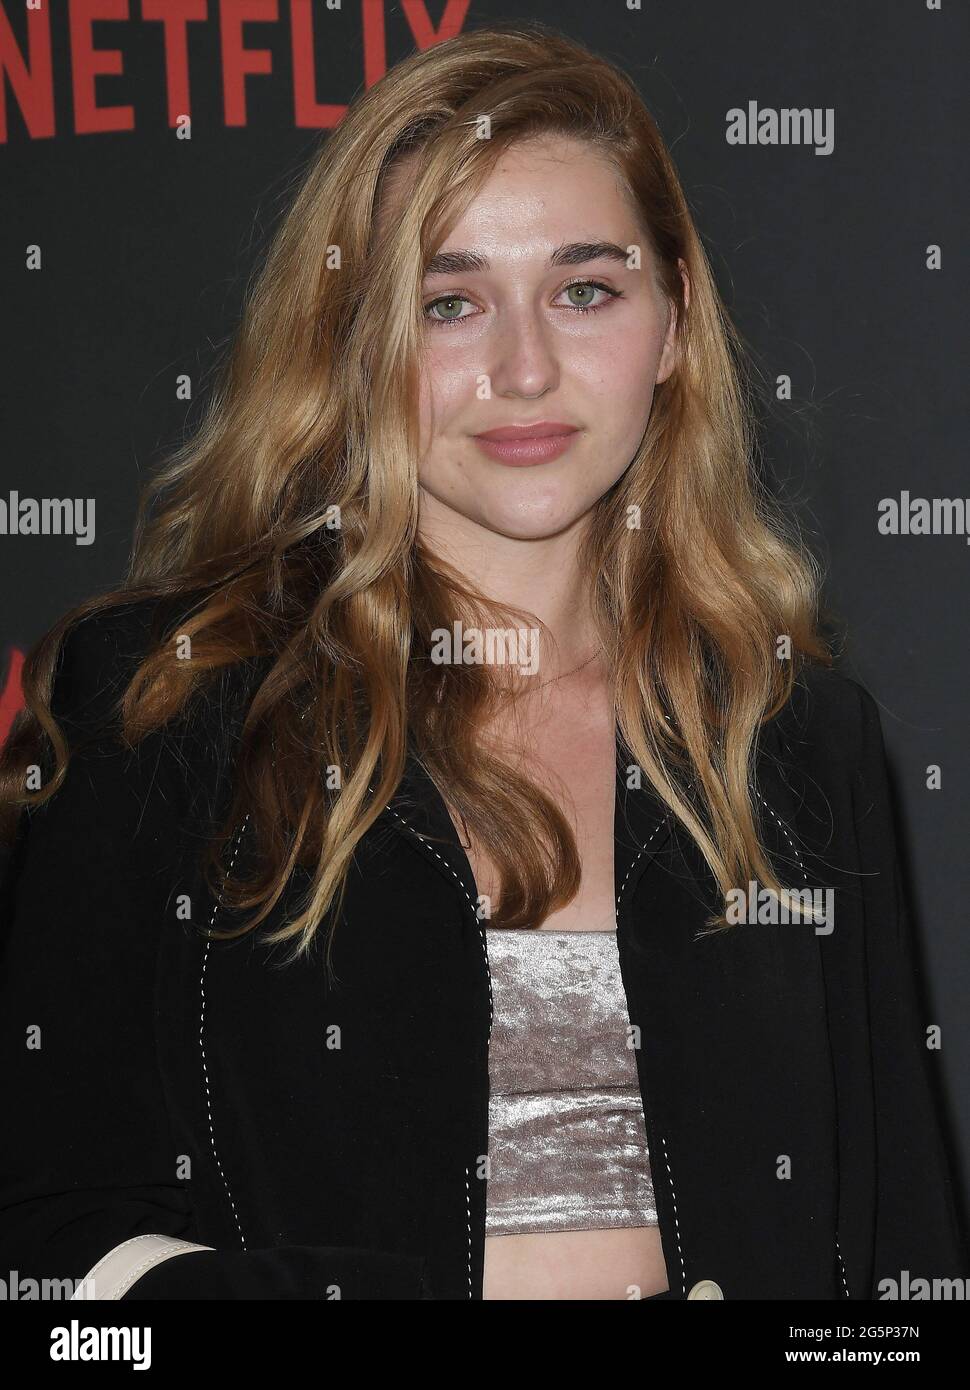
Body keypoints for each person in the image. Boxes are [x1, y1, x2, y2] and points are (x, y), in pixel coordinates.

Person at [0, 22, 965, 1302]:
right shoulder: (170, 697)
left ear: (672, 327)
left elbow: (900, 1256)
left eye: (584, 289)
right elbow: (44, 1262)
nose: (523, 369)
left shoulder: (793, 732)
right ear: (355, 346)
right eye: (448, 302)